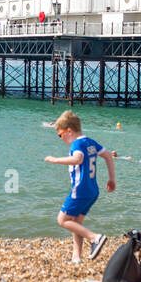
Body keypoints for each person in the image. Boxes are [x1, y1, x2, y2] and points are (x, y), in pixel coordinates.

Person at [44, 110, 116, 263]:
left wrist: (55, 160)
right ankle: (76, 257)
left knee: (62, 220)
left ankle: (95, 238)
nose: (60, 138)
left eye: (60, 134)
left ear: (69, 131)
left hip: (81, 190)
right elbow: (108, 155)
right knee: (76, 222)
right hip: (92, 190)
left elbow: (78, 159)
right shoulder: (90, 141)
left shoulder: (76, 144)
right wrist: (112, 179)